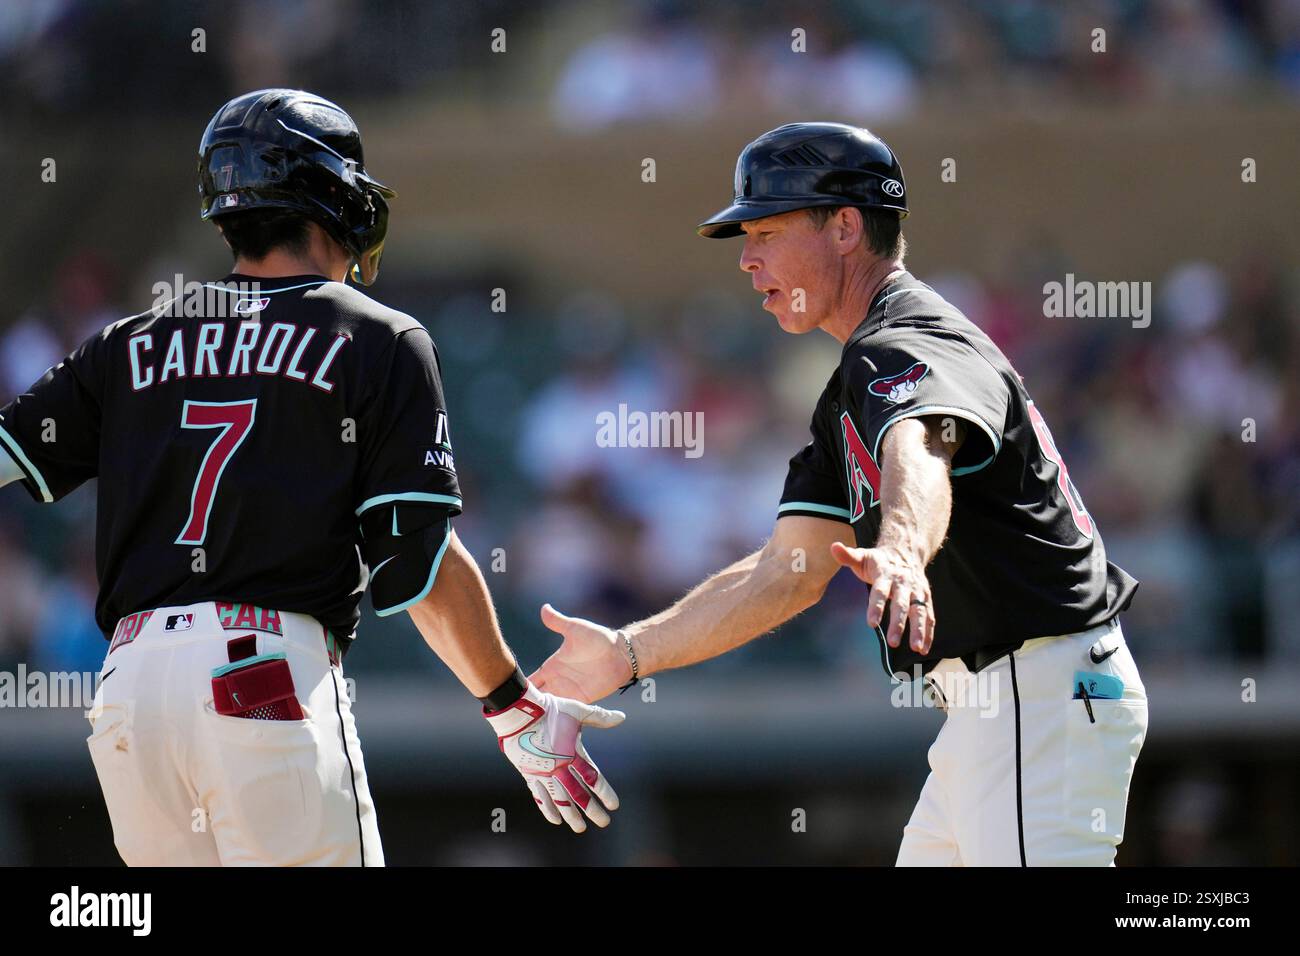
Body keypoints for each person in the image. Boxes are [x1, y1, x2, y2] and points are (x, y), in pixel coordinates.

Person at [0, 89, 623, 866]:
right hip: (261, 674)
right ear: (334, 195)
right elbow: (418, 561)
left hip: (129, 692)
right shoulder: (377, 335)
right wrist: (511, 704)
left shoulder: (128, 340)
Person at [531, 122, 1148, 866]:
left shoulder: (908, 338)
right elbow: (784, 573)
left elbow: (921, 445)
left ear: (846, 227)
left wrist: (901, 550)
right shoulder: (849, 387)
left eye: (765, 230)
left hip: (1040, 694)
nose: (748, 260)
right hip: (998, 709)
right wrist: (629, 654)